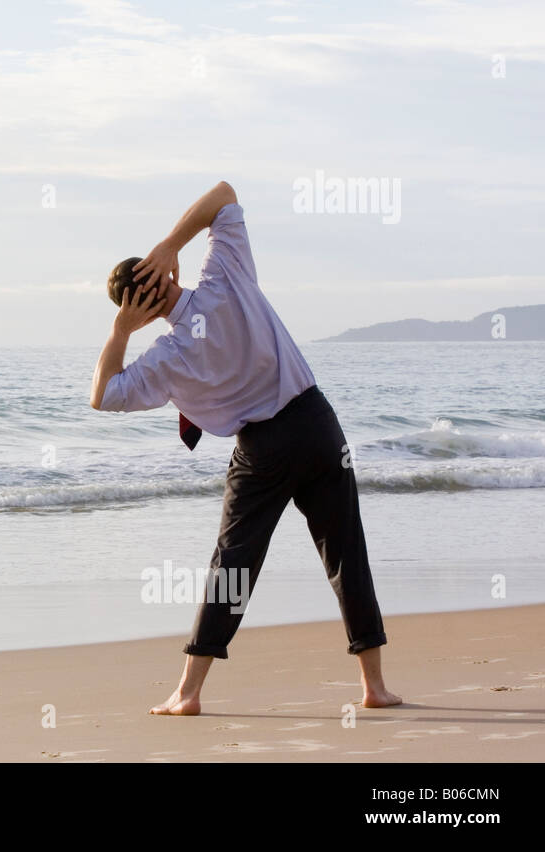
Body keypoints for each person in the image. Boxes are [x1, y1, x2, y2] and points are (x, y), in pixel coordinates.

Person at [89, 181, 401, 716]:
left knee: (232, 567)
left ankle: (188, 693)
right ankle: (373, 685)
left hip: (262, 449)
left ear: (137, 313)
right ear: (168, 274)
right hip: (317, 424)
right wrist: (173, 244)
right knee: (347, 550)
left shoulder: (164, 358)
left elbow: (103, 396)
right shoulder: (223, 274)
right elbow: (224, 193)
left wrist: (120, 331)